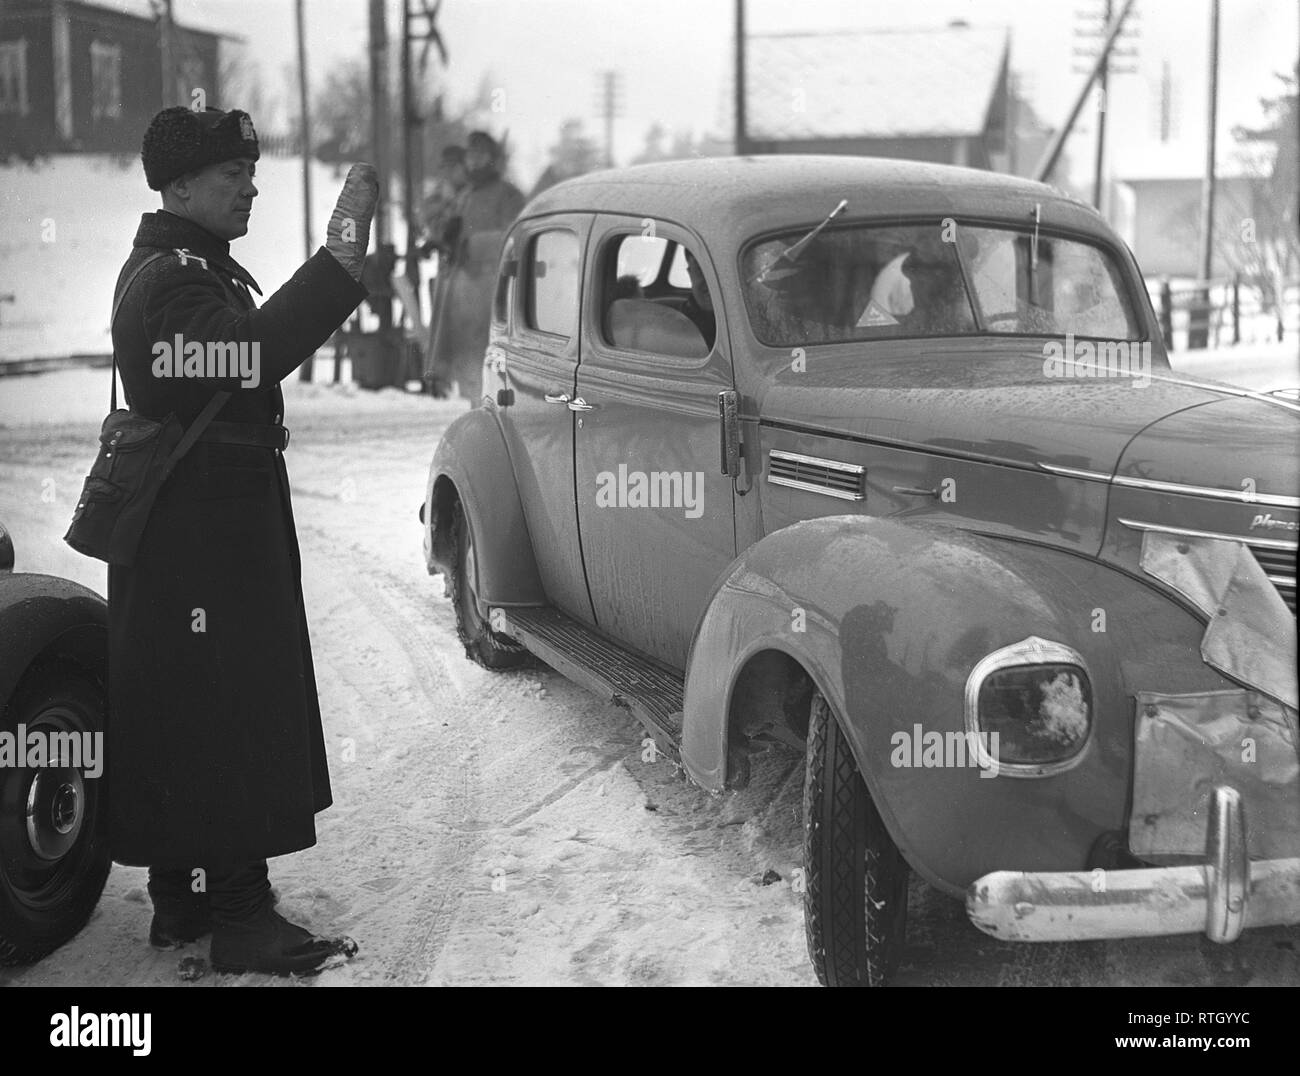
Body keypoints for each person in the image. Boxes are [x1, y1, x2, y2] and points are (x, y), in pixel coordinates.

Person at [108, 104, 376, 976]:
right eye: (233, 175)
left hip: (199, 524)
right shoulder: (172, 281)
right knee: (225, 708)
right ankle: (242, 919)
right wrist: (336, 263)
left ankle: (181, 901)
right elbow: (244, 357)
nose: (251, 187)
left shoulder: (180, 267)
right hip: (203, 534)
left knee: (182, 703)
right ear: (180, 186)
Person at [426, 130, 525, 402]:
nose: (474, 161)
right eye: (471, 155)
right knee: (468, 367)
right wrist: (443, 237)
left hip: (494, 293)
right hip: (463, 296)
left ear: (493, 158)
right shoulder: (465, 195)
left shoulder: (509, 195)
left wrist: (473, 243)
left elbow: (515, 235)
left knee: (491, 365)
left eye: (481, 154)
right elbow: (447, 228)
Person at [681, 248, 716, 349]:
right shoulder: (678, 326)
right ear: (690, 273)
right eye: (701, 269)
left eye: (720, 271)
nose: (712, 281)